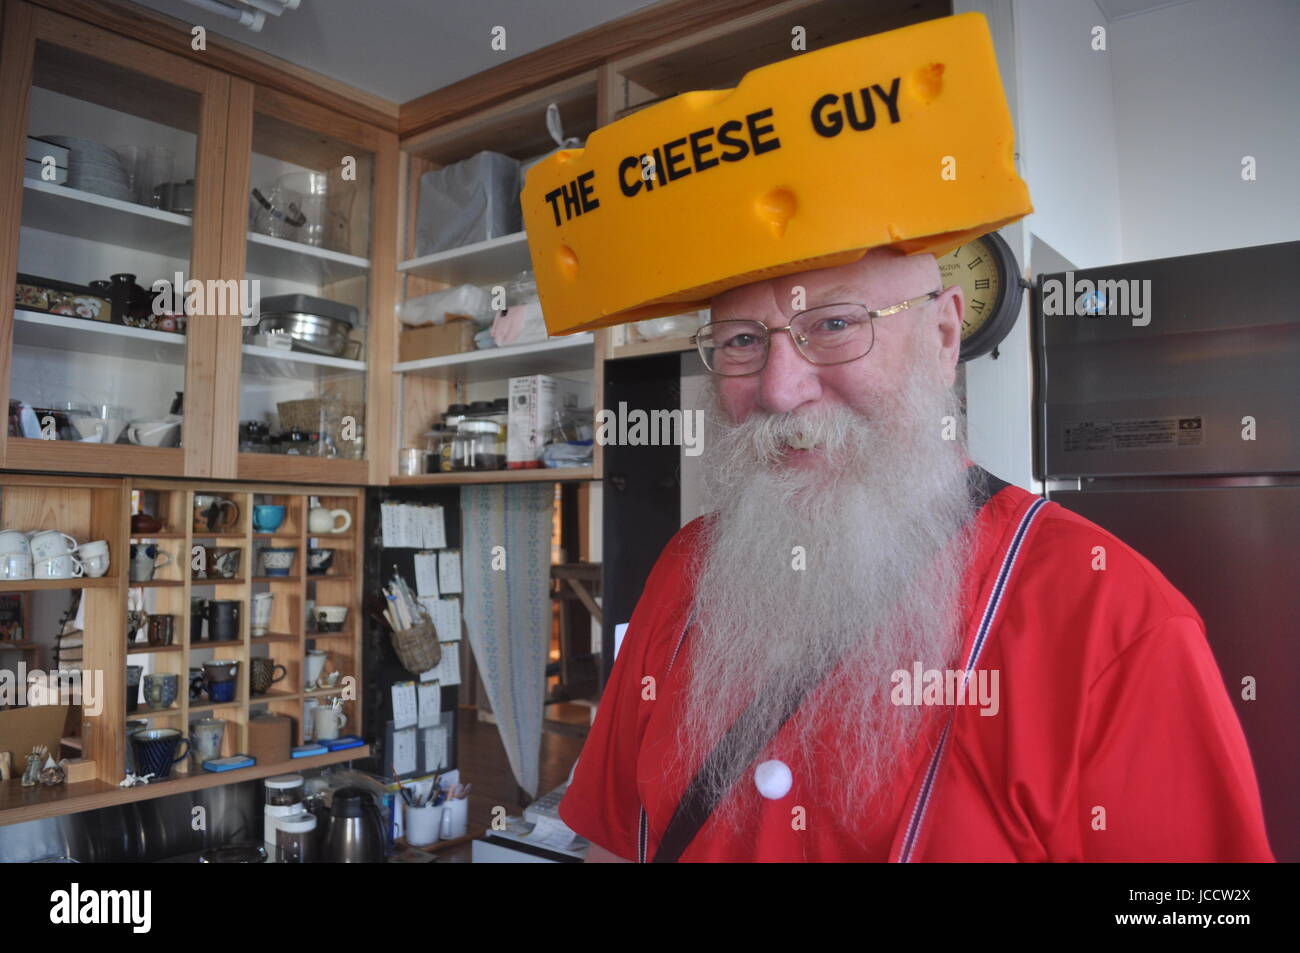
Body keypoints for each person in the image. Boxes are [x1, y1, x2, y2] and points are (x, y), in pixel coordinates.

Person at [560, 246, 1275, 862]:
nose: (778, 390)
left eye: (835, 325)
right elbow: (616, 838)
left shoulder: (1113, 615)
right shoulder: (686, 567)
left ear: (941, 335)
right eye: (743, 340)